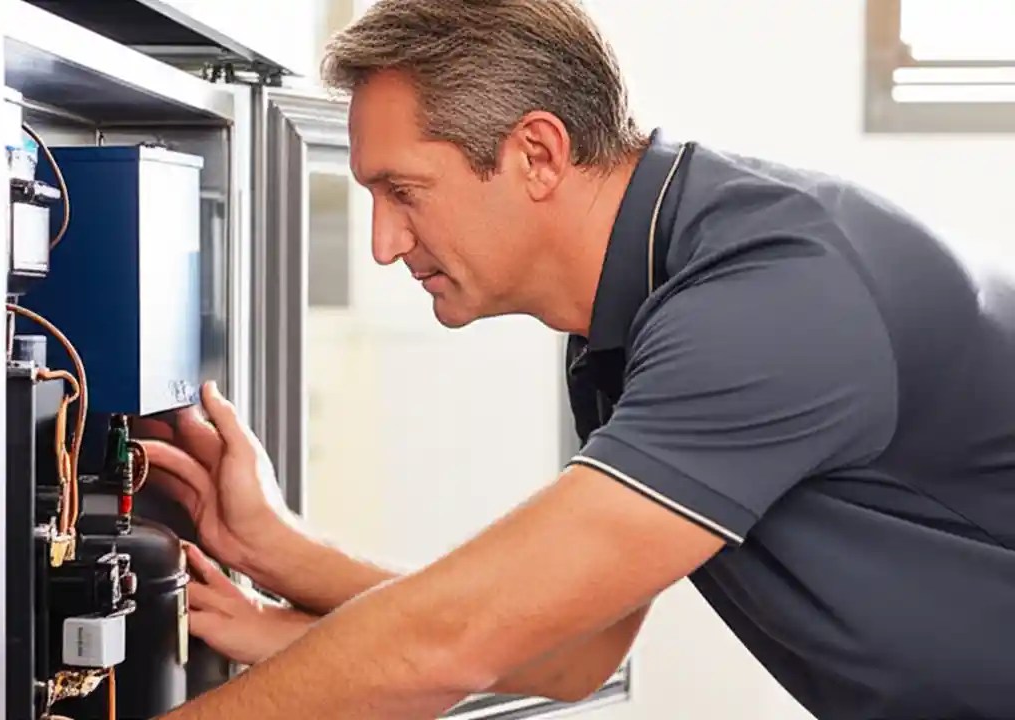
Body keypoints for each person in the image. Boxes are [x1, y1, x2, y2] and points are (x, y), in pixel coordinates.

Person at [136, 1, 1015, 718]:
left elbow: (459, 639)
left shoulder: (764, 302)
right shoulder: (633, 312)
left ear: (538, 154)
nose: (382, 242)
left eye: (404, 192)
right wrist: (282, 563)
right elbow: (571, 652)